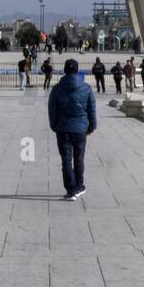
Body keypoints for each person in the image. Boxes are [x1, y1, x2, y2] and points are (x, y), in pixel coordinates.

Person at [47, 59, 96, 201]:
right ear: (77, 70)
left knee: (66, 160)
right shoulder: (86, 88)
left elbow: (52, 110)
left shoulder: (57, 89)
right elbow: (91, 109)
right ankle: (79, 186)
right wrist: (91, 126)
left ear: (64, 70)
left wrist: (54, 126)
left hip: (63, 129)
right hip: (80, 129)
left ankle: (71, 190)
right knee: (79, 159)